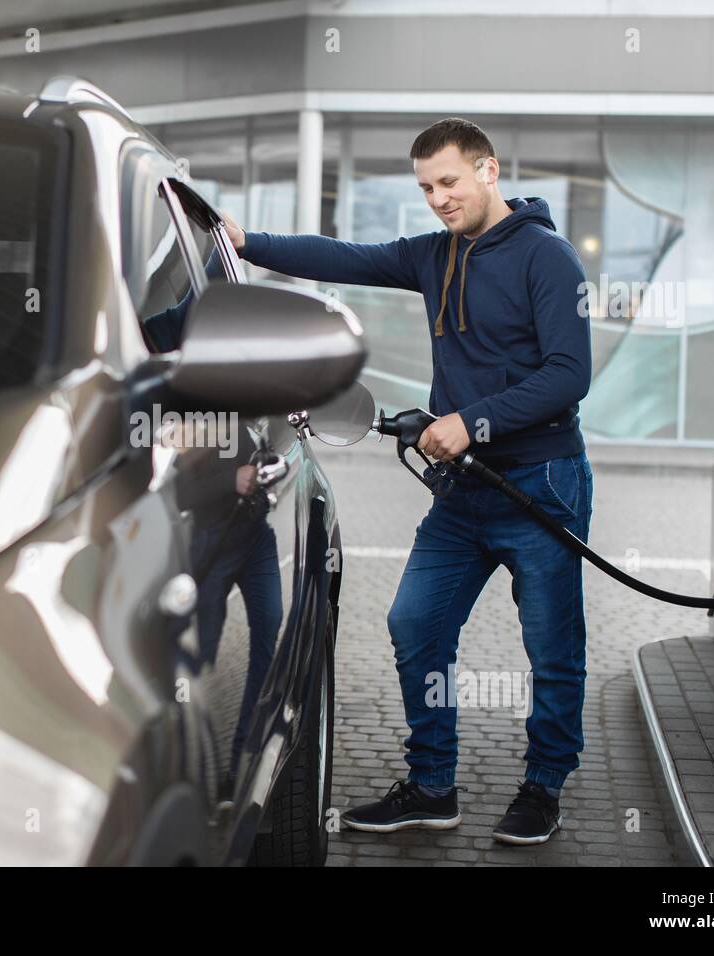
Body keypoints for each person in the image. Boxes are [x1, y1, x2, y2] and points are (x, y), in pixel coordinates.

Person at [220, 117, 593, 845]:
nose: (438, 198)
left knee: (552, 647)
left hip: (542, 482)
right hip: (464, 493)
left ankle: (543, 788)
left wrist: (471, 421)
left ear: (489, 171)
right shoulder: (434, 256)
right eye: (426, 187)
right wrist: (248, 244)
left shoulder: (548, 260)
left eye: (449, 182)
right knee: (414, 624)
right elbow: (345, 255)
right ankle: (432, 785)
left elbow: (569, 375)